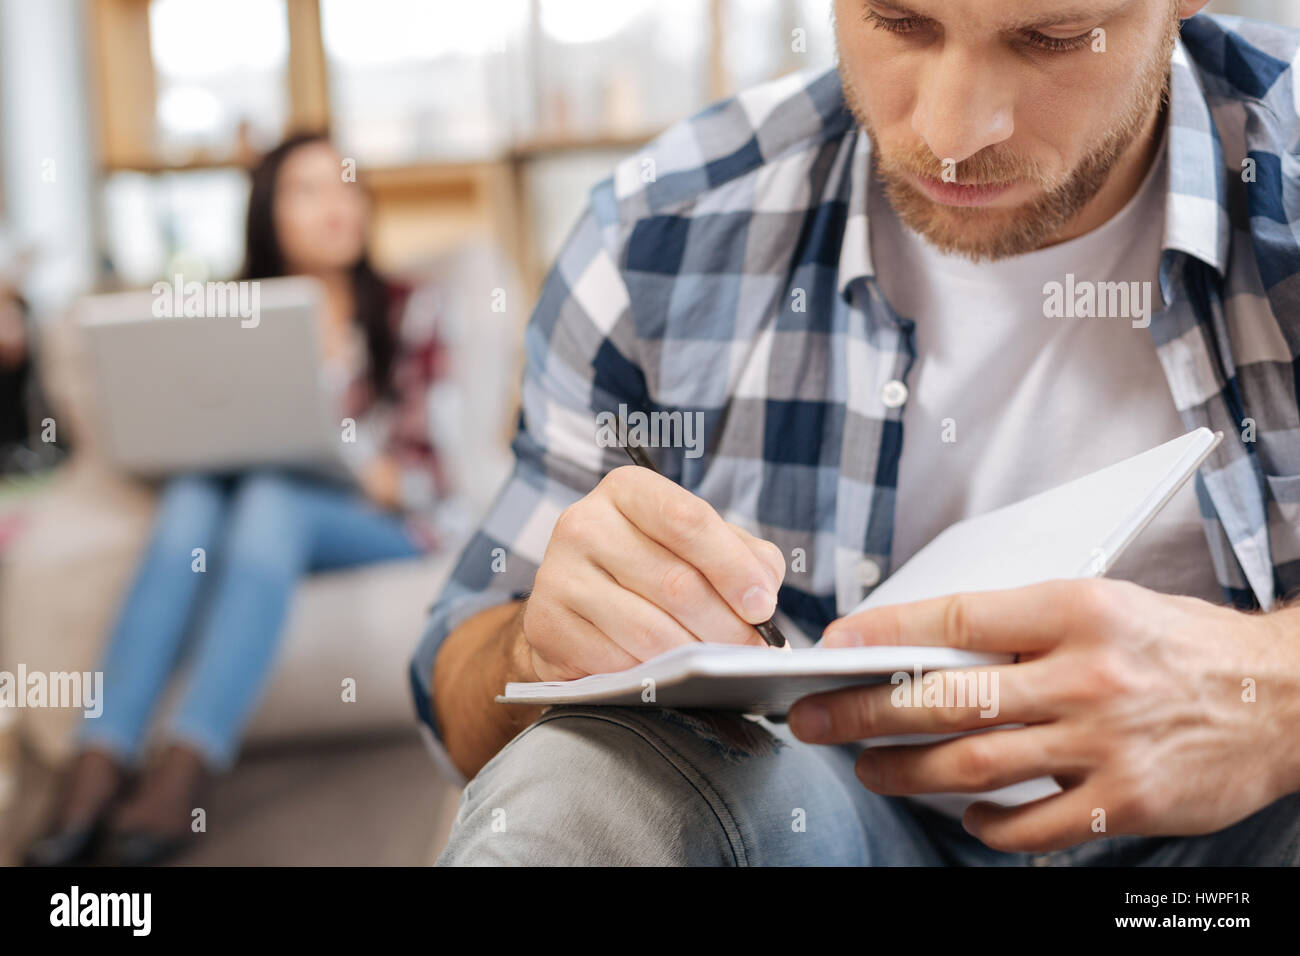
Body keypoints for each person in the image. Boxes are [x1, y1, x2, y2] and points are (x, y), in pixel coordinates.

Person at [413, 1, 1300, 866]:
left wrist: (1271, 692)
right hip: (824, 816)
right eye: (899, 23)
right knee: (578, 785)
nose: (953, 132)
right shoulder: (660, 233)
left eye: (1050, 37)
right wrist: (541, 645)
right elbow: (455, 691)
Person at [26, 133, 449, 866]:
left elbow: (420, 476)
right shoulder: (228, 315)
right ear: (267, 213)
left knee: (269, 499)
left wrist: (329, 425)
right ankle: (97, 764)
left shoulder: (410, 309)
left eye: (346, 187)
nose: (335, 207)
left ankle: (183, 770)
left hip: (389, 521)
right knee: (199, 494)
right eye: (307, 191)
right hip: (252, 509)